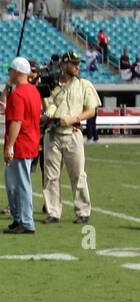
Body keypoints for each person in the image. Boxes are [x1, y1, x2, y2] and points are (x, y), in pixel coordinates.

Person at [41, 51, 98, 222]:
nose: (77, 66)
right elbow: (46, 108)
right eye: (73, 63)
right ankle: (53, 212)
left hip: (73, 132)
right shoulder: (51, 85)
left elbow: (92, 110)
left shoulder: (84, 84)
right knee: (51, 176)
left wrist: (75, 118)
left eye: (77, 63)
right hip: (52, 133)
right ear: (64, 64)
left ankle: (83, 211)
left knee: (78, 174)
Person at [0, 57, 41, 234]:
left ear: (17, 72)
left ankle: (26, 221)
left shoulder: (18, 94)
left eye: (10, 70)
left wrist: (9, 146)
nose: (8, 73)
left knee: (21, 183)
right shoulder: (33, 91)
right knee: (13, 183)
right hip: (29, 140)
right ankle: (19, 218)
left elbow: (16, 121)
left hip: (21, 144)